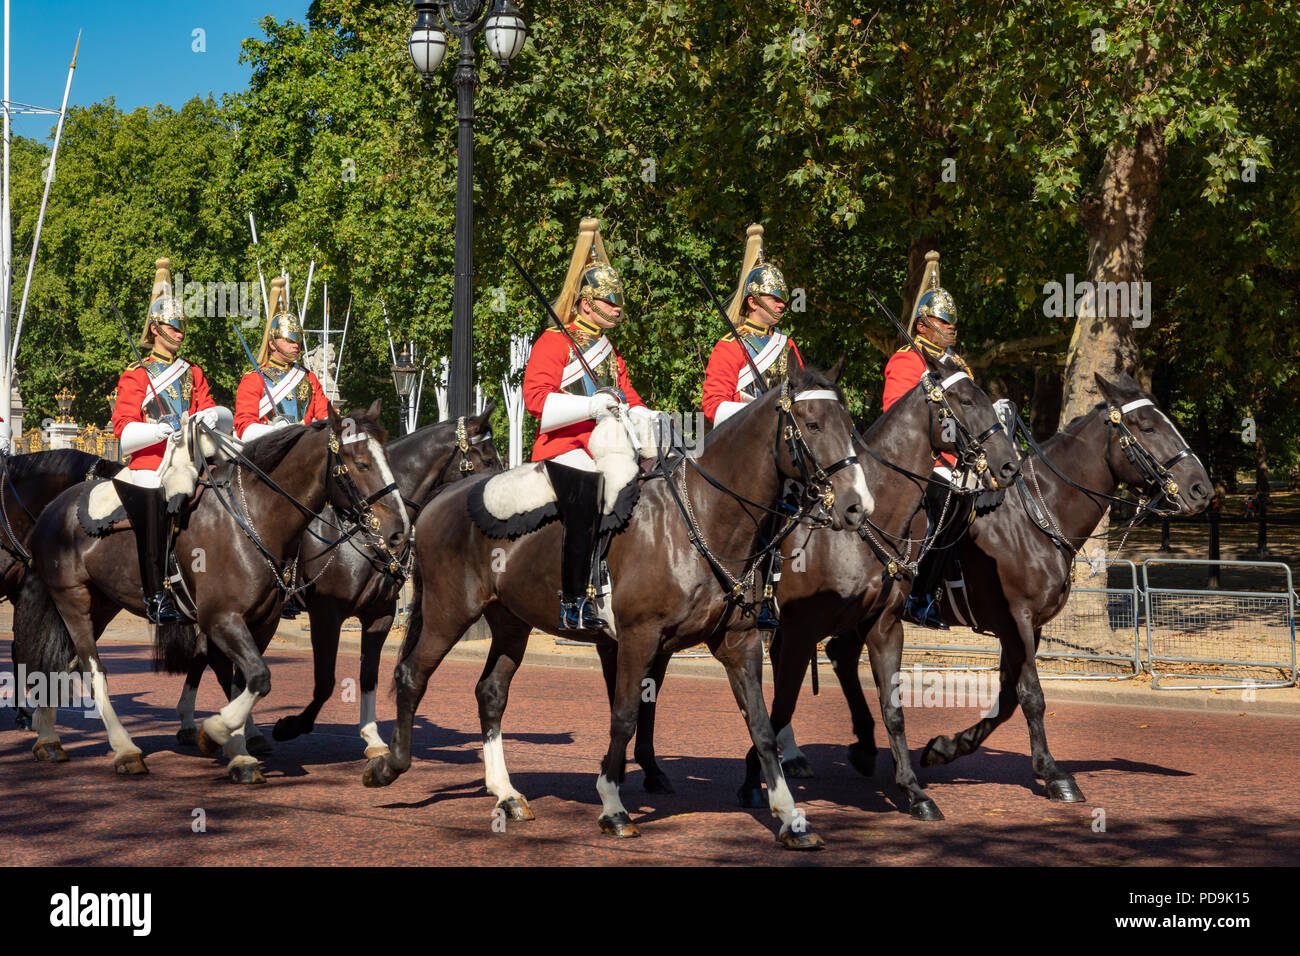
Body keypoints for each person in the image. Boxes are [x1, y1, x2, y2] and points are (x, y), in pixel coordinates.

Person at [522, 217, 649, 630]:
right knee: (587, 497)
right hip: (563, 449)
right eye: (610, 302)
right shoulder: (554, 341)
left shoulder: (610, 352)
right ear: (585, 303)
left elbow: (631, 401)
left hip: (608, 448)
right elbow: (536, 400)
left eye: (618, 302)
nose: (618, 309)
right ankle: (574, 599)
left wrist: (662, 426)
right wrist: (593, 406)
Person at [111, 257, 232, 623]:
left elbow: (212, 411)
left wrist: (212, 415)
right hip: (151, 462)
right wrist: (159, 430)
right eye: (173, 326)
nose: (180, 332)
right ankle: (155, 593)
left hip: (189, 457)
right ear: (155, 328)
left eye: (182, 326)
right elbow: (123, 430)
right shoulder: (136, 375)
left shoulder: (193, 372)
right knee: (152, 497)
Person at [882, 250, 974, 630]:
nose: (950, 326)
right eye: (941, 319)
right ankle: (920, 595)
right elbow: (897, 419)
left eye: (952, 320)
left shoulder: (958, 365)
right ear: (921, 325)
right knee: (949, 499)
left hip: (962, 460)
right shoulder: (907, 361)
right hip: (922, 461)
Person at [701, 223, 804, 426]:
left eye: (783, 298)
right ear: (753, 301)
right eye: (774, 298)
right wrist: (763, 416)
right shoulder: (730, 346)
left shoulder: (787, 345)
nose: (781, 303)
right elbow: (714, 405)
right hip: (747, 437)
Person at [234, 275, 332, 441]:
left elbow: (325, 414)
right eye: (289, 340)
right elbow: (244, 427)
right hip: (269, 449)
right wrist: (275, 432)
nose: (296, 345)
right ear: (272, 344)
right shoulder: (254, 379)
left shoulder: (309, 378)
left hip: (304, 447)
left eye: (298, 340)